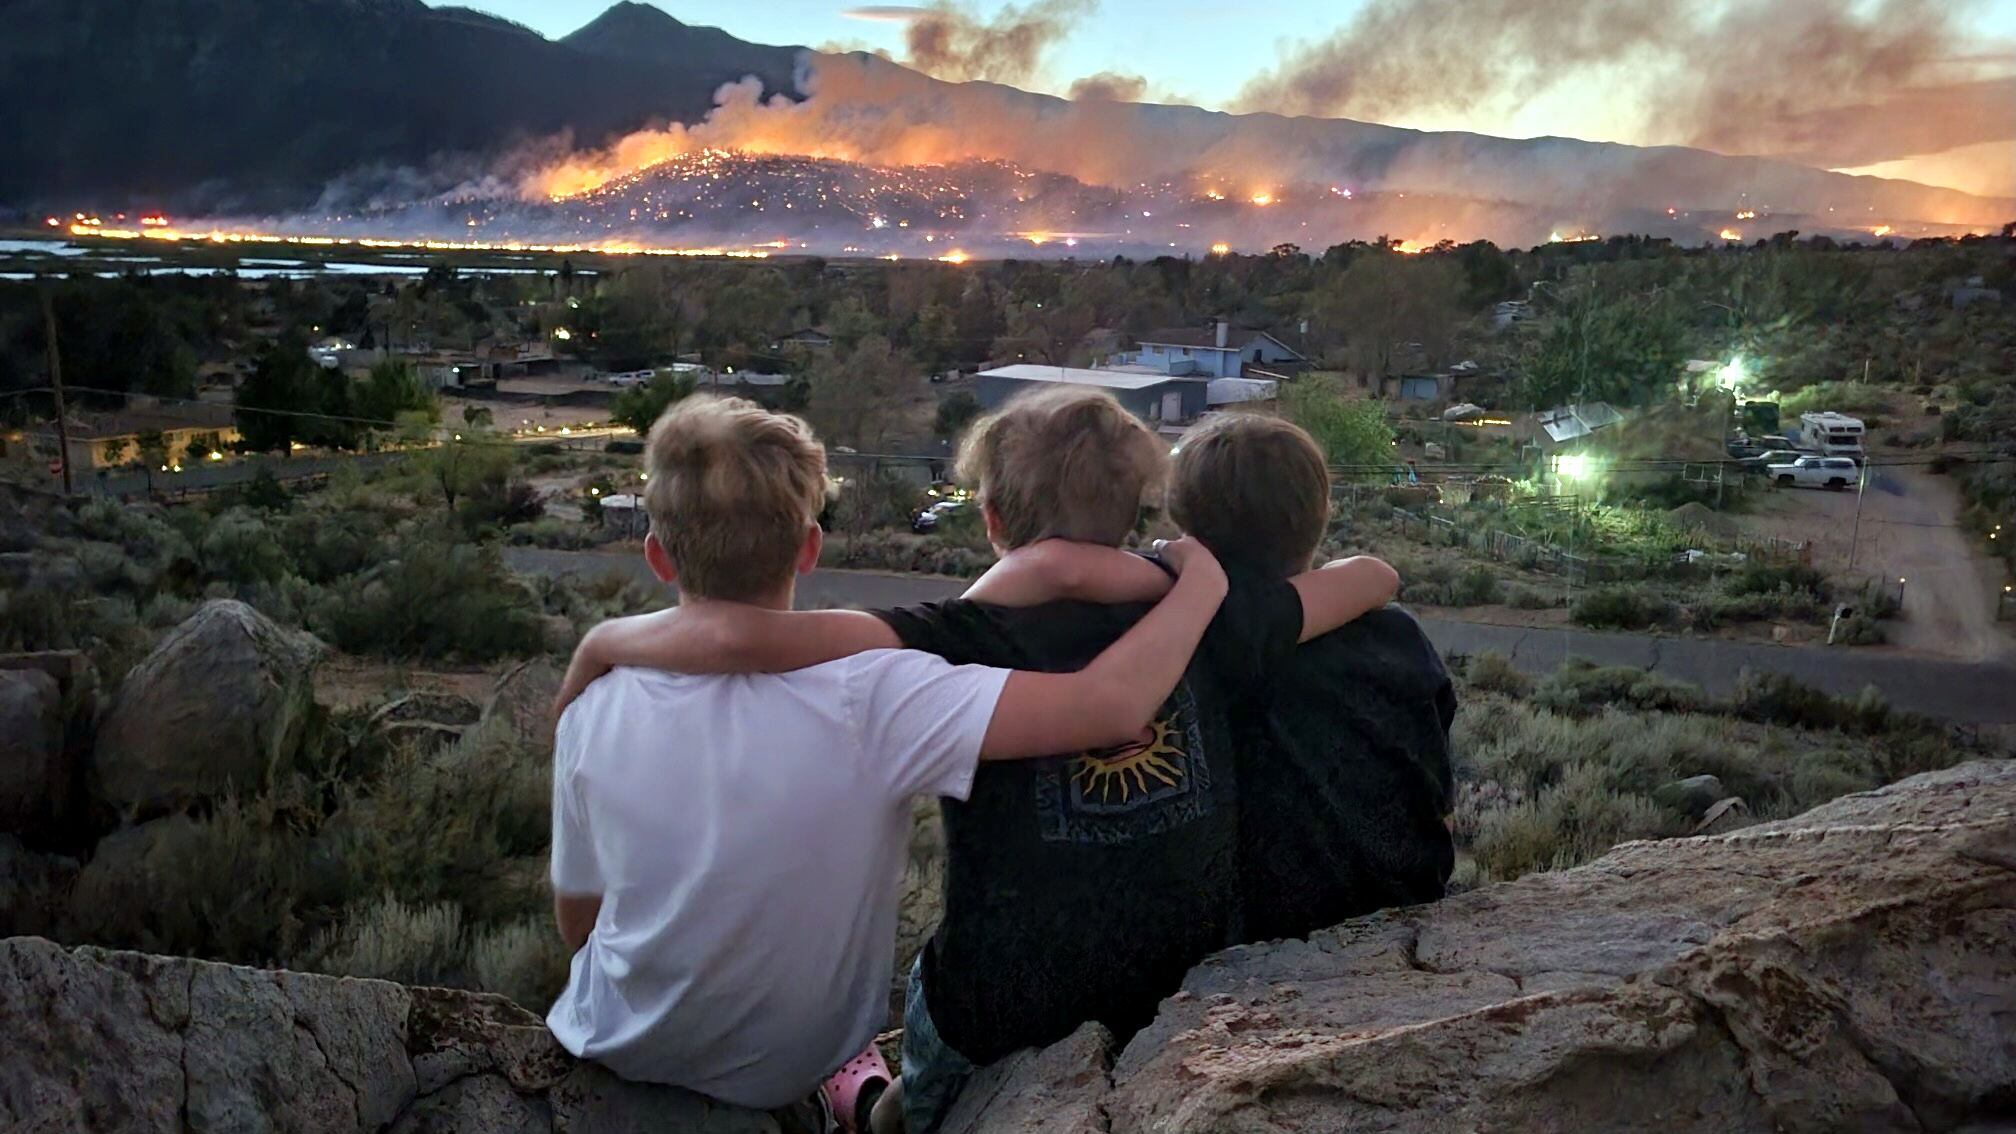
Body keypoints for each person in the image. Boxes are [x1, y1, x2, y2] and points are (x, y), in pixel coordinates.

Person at [558, 388, 1399, 1133]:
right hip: (1177, 980)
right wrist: (1199, 582)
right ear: (808, 547)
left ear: (992, 519)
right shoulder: (1205, 617)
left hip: (995, 1008)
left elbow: (741, 639)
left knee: (934, 1032)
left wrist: (600, 642)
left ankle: (894, 1112)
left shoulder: (952, 644)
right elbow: (1370, 574)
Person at [1167, 412, 1456, 942]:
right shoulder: (1398, 638)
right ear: (1321, 515)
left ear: (1183, 526)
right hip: (1409, 908)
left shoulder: (1187, 649)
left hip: (1266, 942)